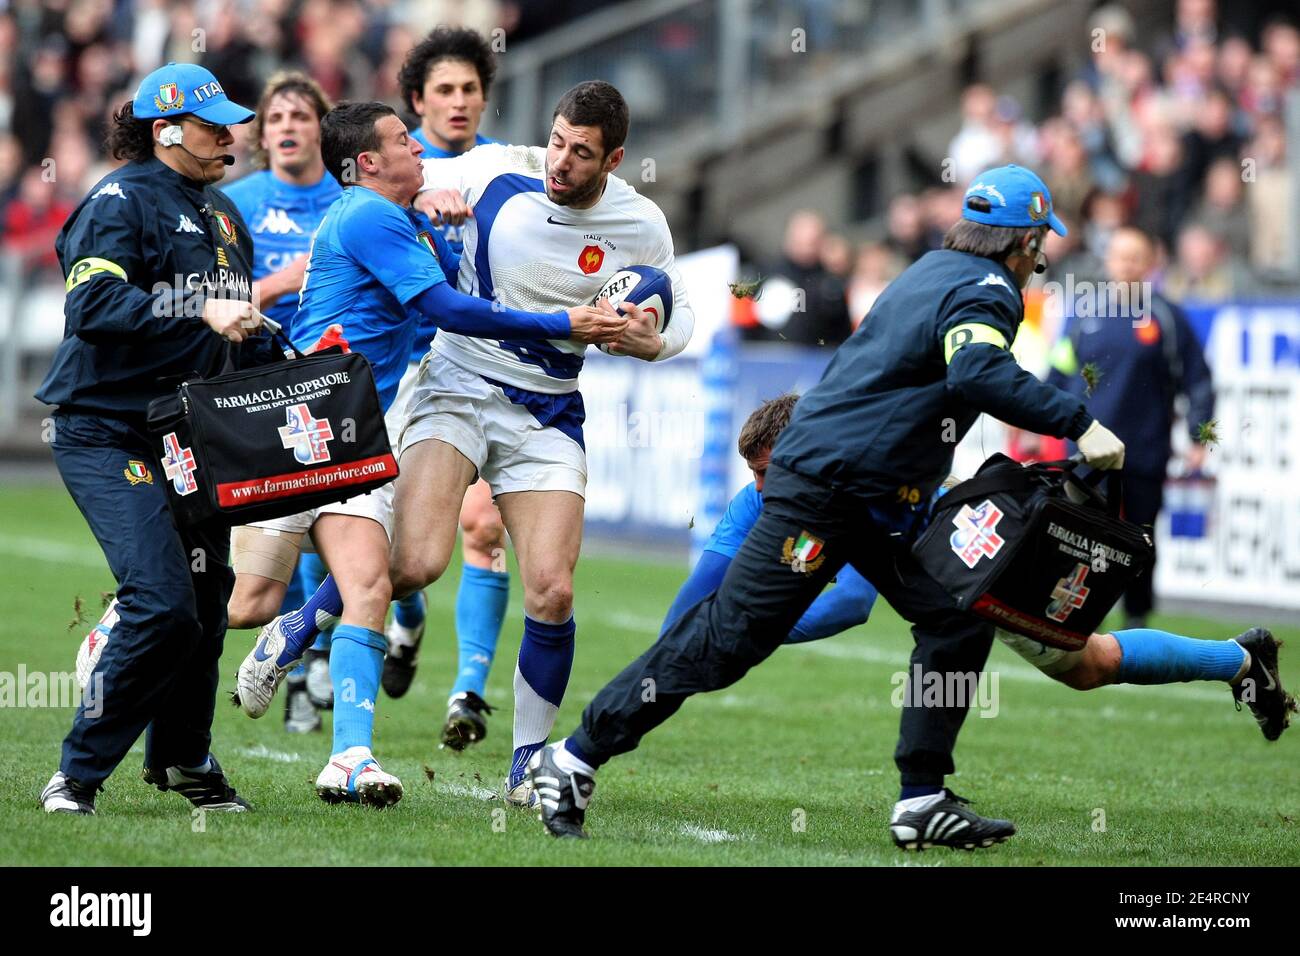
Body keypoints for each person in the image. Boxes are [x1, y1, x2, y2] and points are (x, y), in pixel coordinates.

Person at [523, 164, 1283, 848]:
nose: (1040, 256)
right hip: (836, 488)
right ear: (1021, 240)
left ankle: (921, 798)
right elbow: (978, 368)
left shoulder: (932, 270)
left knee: (957, 616)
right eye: (1037, 242)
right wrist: (1077, 421)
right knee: (728, 642)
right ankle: (573, 759)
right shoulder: (986, 289)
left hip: (875, 492)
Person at [231, 100, 624, 807]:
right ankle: (136, 620)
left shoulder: (400, 214)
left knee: (372, 583)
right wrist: (558, 321)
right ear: (372, 163)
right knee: (248, 599)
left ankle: (347, 754)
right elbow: (447, 310)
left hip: (348, 429)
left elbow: (448, 295)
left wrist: (447, 220)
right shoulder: (370, 215)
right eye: (402, 143)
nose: (420, 148)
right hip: (309, 422)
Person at [388, 79, 696, 804]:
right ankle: (301, 632)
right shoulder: (494, 172)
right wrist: (421, 198)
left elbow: (678, 313)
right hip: (460, 381)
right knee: (412, 564)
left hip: (549, 409)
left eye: (581, 153)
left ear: (612, 159)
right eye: (557, 142)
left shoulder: (642, 223)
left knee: (553, 591)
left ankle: (527, 767)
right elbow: (390, 188)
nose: (561, 162)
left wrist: (652, 344)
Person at [692, 397, 1290, 734]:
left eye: (770, 471)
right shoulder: (766, 492)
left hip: (985, 559)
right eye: (755, 475)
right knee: (1080, 663)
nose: (761, 488)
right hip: (946, 579)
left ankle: (1238, 659)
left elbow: (850, 603)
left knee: (1090, 664)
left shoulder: (853, 486)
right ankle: (1243, 659)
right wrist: (678, 644)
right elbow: (706, 578)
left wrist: (750, 627)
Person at [36, 63, 274, 815]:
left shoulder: (225, 215)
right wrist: (196, 310)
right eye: (212, 126)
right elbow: (95, 303)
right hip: (107, 431)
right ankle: (75, 775)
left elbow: (228, 332)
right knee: (162, 600)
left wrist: (291, 351)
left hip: (188, 441)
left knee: (206, 603)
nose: (228, 137)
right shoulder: (118, 200)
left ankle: (182, 759)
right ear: (165, 131)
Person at [384, 28, 511, 754]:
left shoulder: (509, 168)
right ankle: (407, 621)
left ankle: (469, 690)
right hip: (405, 373)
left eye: (470, 89)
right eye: (445, 90)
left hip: (487, 371)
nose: (459, 101)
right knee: (398, 544)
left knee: (483, 526)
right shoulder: (392, 170)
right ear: (417, 101)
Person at [222, 70, 340, 734]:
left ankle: (325, 648)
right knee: (283, 530)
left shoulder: (348, 201)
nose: (288, 127)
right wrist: (281, 281)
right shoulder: (237, 203)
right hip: (257, 383)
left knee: (343, 520)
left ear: (322, 126)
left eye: (300, 115)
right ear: (263, 134)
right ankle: (304, 662)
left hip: (336, 382)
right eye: (275, 118)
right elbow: (213, 298)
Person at [1046, 225, 1216, 629]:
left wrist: (1199, 435)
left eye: (1134, 256)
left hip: (1143, 449)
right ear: (1108, 260)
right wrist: (1030, 414)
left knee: (1139, 539)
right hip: (1087, 448)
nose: (1126, 264)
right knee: (1076, 533)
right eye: (1119, 255)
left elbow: (1198, 380)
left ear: (1150, 262)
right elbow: (1059, 371)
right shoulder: (1085, 313)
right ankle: (1072, 617)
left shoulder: (1167, 317)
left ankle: (1136, 620)